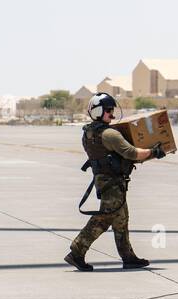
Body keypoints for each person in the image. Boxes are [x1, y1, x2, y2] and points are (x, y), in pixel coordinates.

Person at [65, 93, 167, 271]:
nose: (112, 114)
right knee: (103, 219)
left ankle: (128, 257)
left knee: (121, 220)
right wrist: (153, 152)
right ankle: (77, 251)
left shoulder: (88, 134)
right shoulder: (110, 134)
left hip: (104, 180)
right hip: (112, 183)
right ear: (99, 112)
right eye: (108, 110)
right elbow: (132, 153)